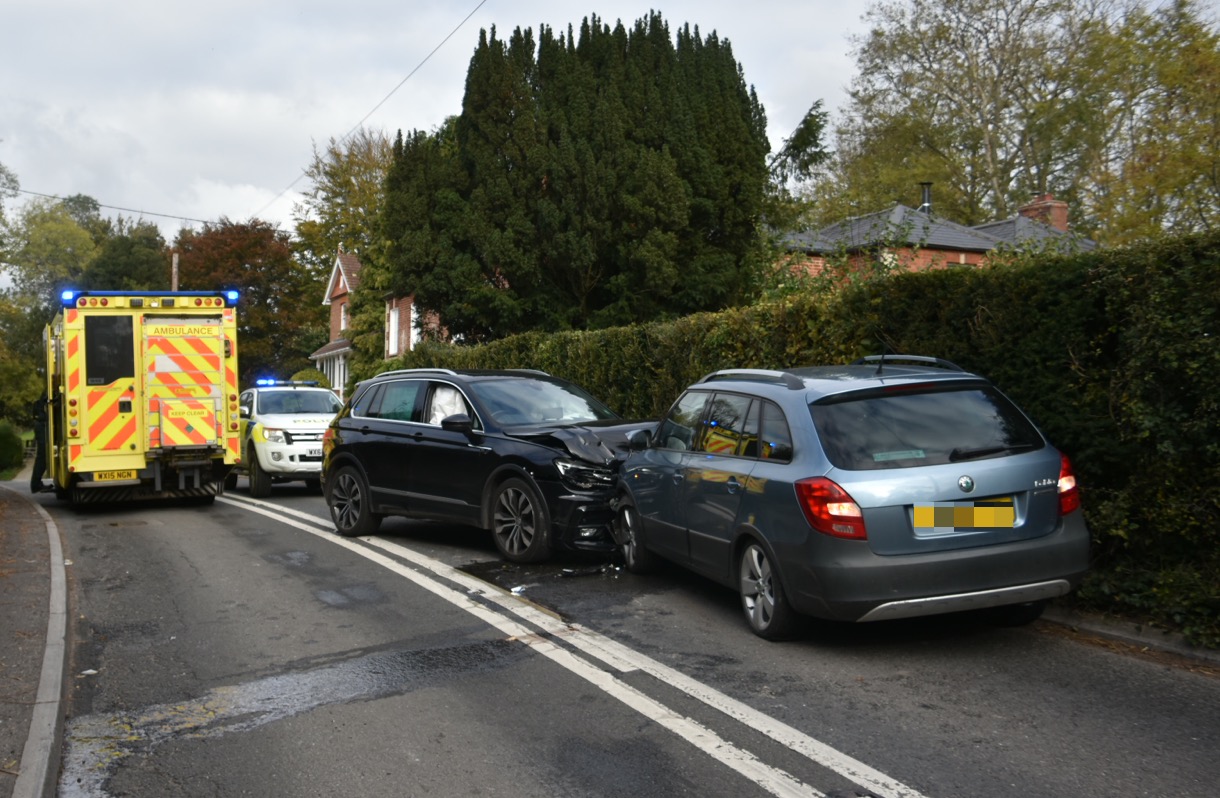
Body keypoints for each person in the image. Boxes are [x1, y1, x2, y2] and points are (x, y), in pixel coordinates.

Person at [29, 394, 49, 493]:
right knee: (43, 456)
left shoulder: (41, 400)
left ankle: (36, 483)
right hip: (41, 426)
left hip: (40, 425)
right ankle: (35, 484)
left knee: (43, 456)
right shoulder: (44, 399)